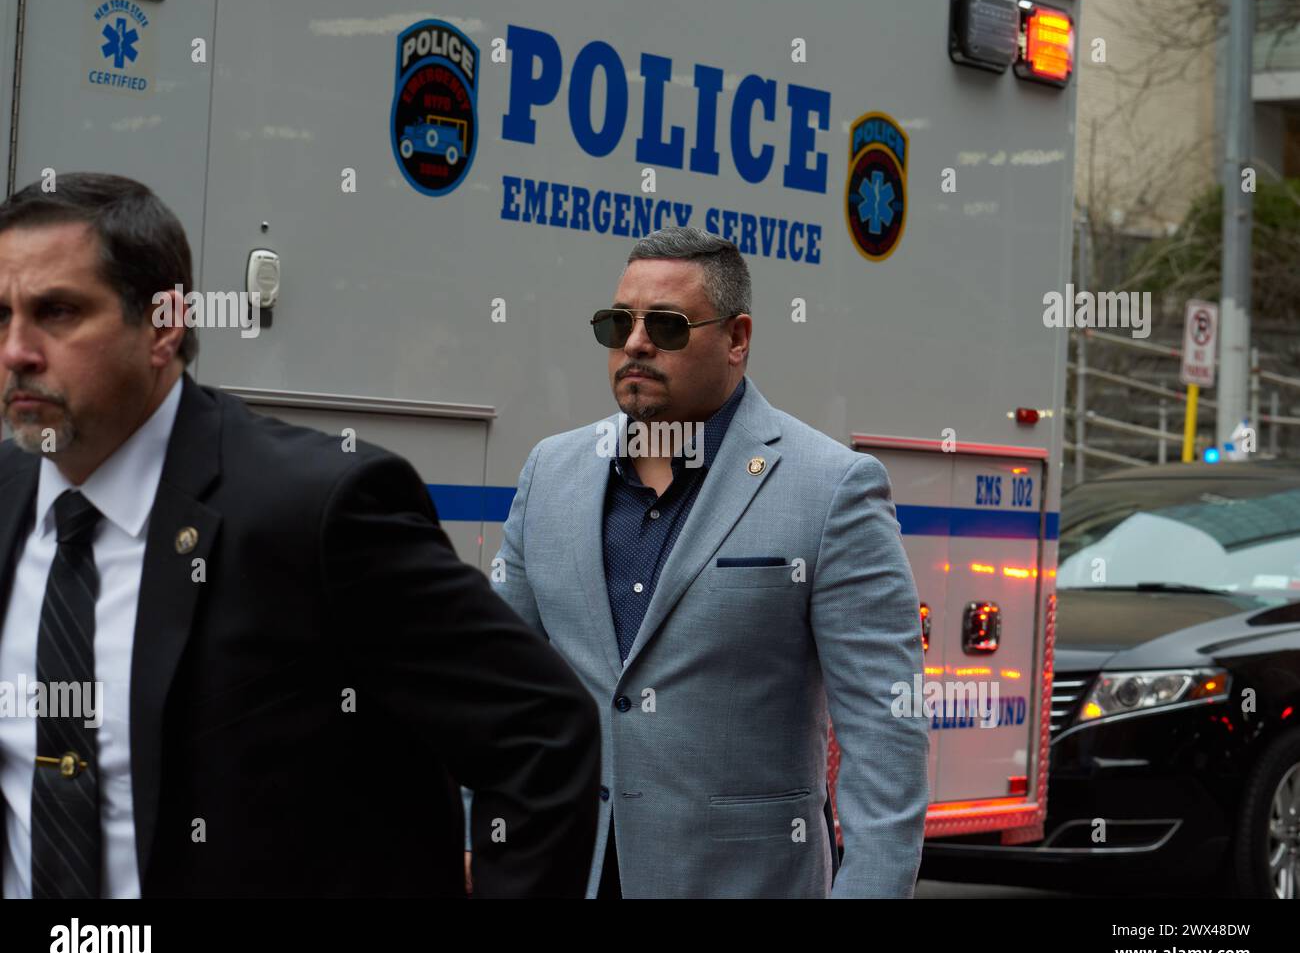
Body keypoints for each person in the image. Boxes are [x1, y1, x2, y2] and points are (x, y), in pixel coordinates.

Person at [0, 172, 599, 898]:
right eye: (1, 316)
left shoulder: (315, 512)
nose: (17, 350)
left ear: (163, 325)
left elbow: (542, 733)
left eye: (57, 312)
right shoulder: (9, 500)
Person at [489, 227, 929, 898]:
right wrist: (475, 836)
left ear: (737, 338)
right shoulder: (550, 473)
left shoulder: (832, 489)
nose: (635, 343)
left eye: (666, 326)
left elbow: (884, 737)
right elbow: (500, 690)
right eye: (619, 323)